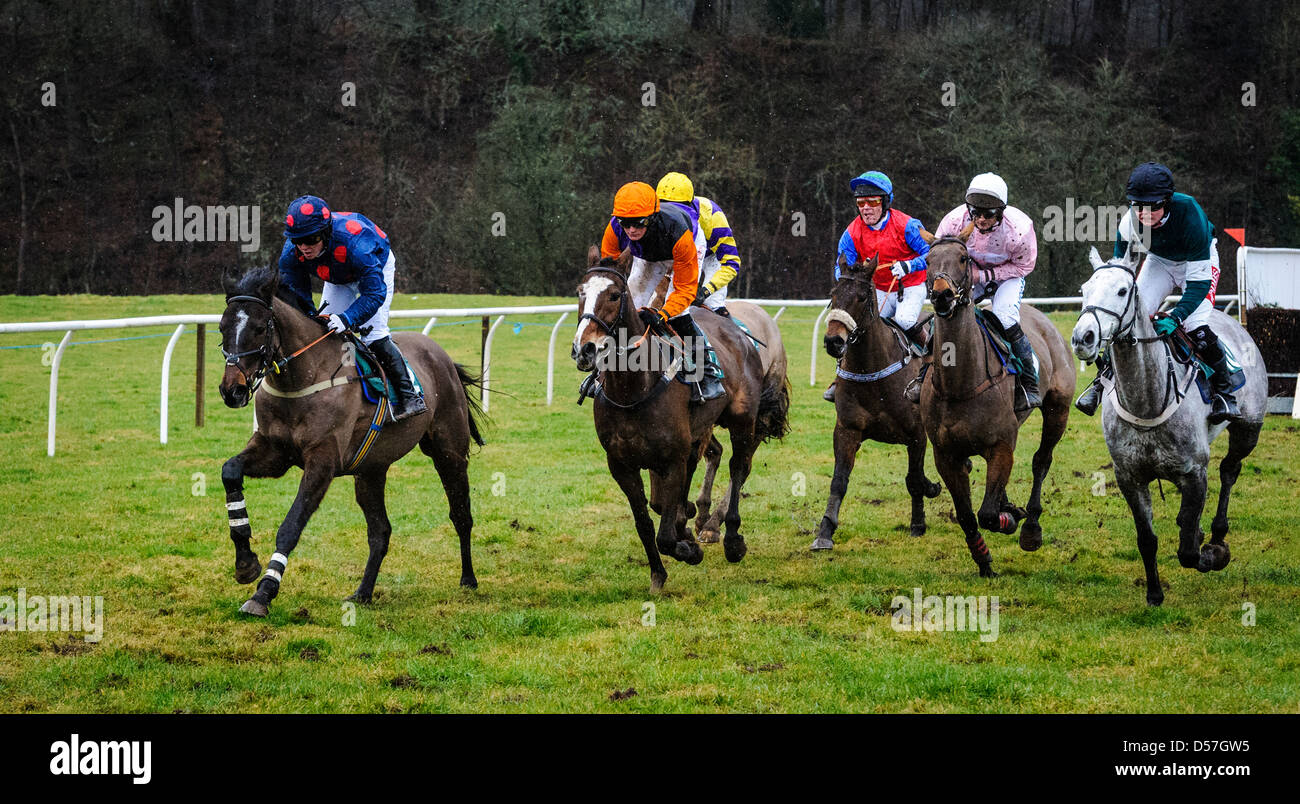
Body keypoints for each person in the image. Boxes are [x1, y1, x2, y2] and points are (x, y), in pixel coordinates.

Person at [1075, 161, 1243, 424]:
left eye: (1152, 207)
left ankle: (1225, 392)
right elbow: (1120, 270)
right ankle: (1100, 382)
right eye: (1137, 205)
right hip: (1159, 262)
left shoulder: (1191, 216)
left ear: (1167, 200)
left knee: (1195, 325)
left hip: (1197, 262)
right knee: (1127, 318)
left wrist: (1176, 316)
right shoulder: (1129, 220)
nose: (1143, 213)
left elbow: (1198, 284)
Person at [277, 194, 428, 421]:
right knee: (323, 329)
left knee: (372, 333)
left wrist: (348, 318)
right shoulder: (292, 252)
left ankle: (410, 396)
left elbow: (375, 293)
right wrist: (313, 318)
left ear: (326, 233)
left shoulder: (357, 245)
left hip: (375, 268)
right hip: (338, 274)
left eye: (311, 239)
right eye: (298, 240)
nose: (304, 247)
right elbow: (298, 297)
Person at [581, 181, 725, 402]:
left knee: (677, 313)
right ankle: (602, 372)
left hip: (684, 248)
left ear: (653, 216)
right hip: (647, 254)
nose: (630, 230)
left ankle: (707, 372)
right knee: (628, 310)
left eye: (638, 223)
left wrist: (661, 314)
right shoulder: (615, 228)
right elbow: (609, 272)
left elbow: (685, 290)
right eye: (625, 223)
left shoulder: (679, 233)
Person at [920, 172, 1041, 409]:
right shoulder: (953, 222)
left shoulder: (1020, 230)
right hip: (966, 274)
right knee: (944, 314)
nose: (981, 219)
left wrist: (986, 276)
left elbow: (1024, 266)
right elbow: (943, 257)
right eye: (976, 213)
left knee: (1005, 317)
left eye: (988, 214)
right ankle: (925, 372)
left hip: (1007, 277)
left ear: (1001, 212)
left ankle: (1029, 381)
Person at [824, 170, 930, 401]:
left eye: (872, 201)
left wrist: (909, 265)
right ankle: (840, 377)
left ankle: (931, 364)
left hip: (909, 286)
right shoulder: (851, 233)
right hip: (879, 289)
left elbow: (932, 251)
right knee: (859, 327)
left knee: (904, 321)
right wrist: (848, 280)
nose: (866, 208)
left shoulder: (908, 225)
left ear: (885, 202)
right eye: (861, 203)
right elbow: (840, 266)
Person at [656, 171, 742, 317]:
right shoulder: (653, 216)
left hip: (710, 256)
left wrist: (705, 290)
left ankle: (732, 334)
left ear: (690, 205)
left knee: (712, 304)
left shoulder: (713, 217)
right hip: (676, 254)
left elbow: (731, 262)